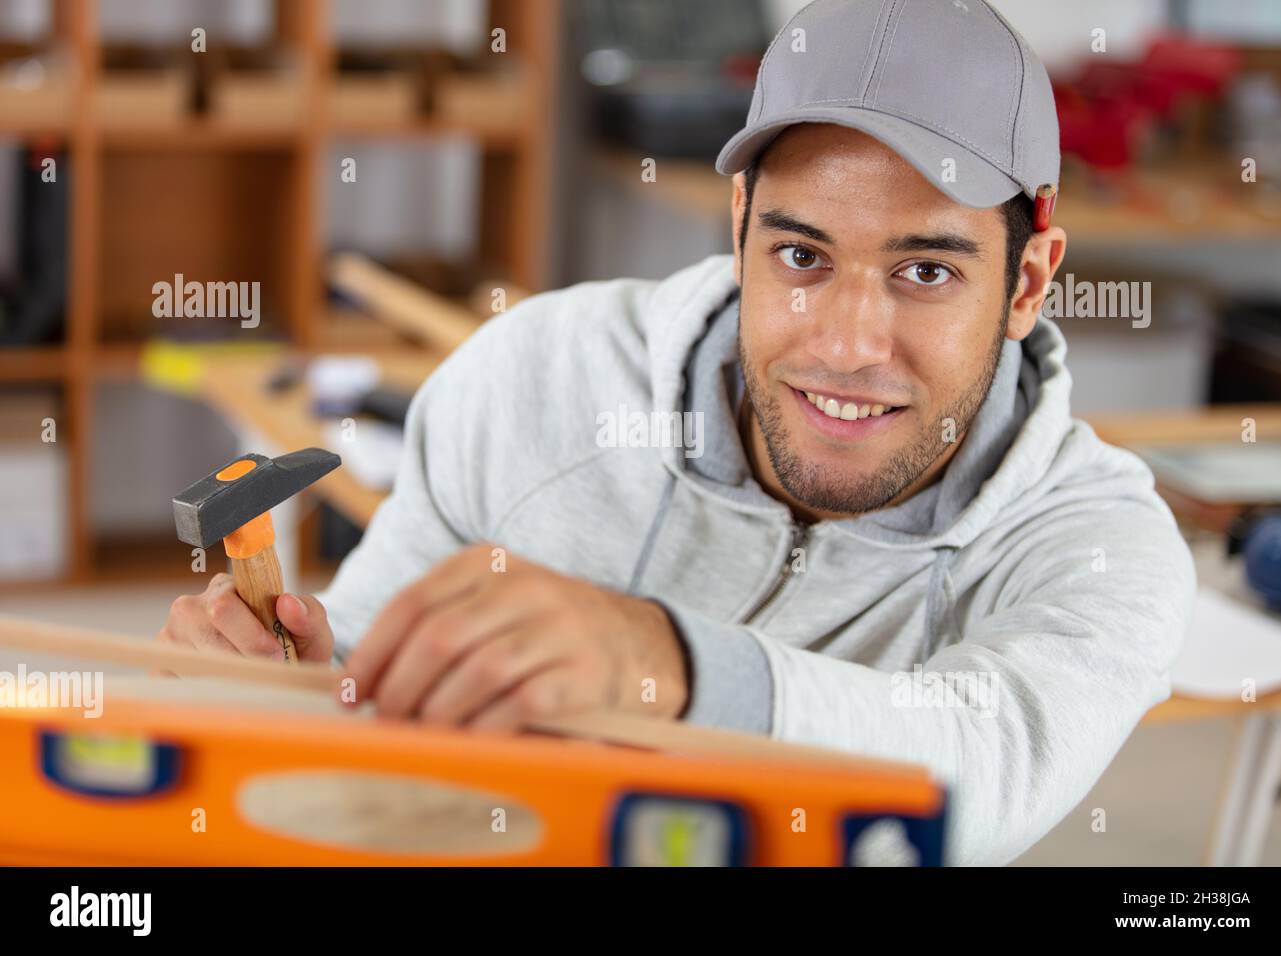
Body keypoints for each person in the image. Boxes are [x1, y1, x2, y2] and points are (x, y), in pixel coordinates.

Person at [158, 0, 1195, 864]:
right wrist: (302, 676)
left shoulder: (1096, 548)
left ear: (1026, 279)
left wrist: (668, 665)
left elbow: (976, 772)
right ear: (739, 220)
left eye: (925, 271)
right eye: (800, 256)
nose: (844, 344)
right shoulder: (533, 376)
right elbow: (375, 665)